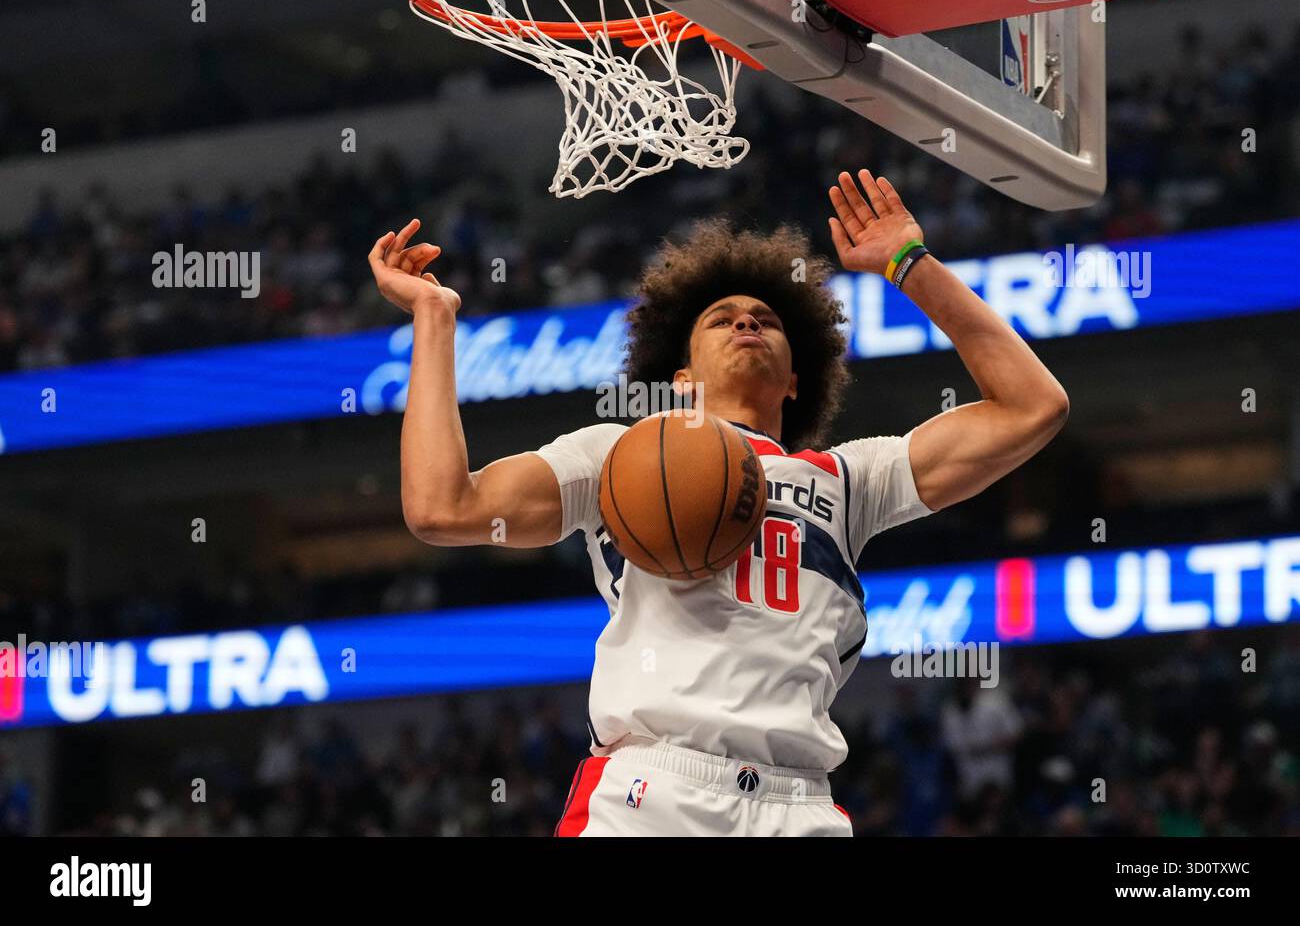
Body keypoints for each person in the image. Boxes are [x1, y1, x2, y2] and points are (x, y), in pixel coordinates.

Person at [367, 169, 1069, 836]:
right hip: (653, 792)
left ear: (795, 378)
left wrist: (910, 262)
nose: (746, 323)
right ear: (680, 380)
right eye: (721, 319)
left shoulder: (853, 480)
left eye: (765, 318)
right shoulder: (620, 455)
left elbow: (1033, 407)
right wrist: (433, 318)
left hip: (801, 805)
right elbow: (443, 508)